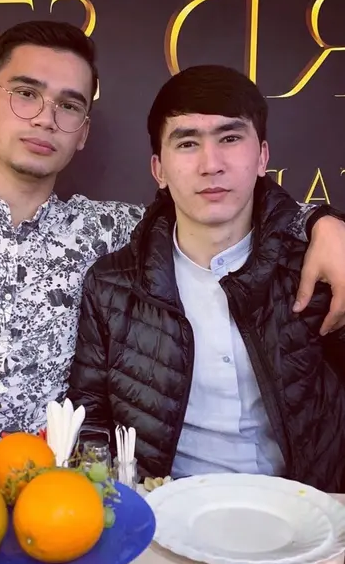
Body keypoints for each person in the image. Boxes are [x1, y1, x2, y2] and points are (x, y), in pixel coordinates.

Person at [0, 22, 344, 461]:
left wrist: (320, 223)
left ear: (83, 131)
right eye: (26, 93)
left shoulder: (112, 232)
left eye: (69, 105)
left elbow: (217, 210)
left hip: (54, 497)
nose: (46, 118)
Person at [67, 64, 345, 492]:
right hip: (166, 510)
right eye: (187, 143)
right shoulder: (111, 286)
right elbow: (91, 416)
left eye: (229, 139)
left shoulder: (318, 266)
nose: (211, 164)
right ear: (159, 169)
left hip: (304, 509)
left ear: (262, 157)